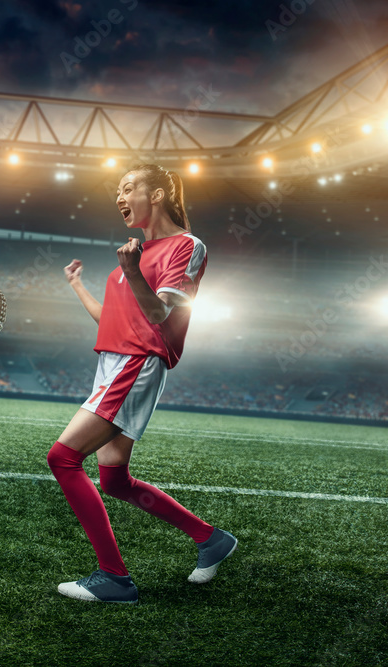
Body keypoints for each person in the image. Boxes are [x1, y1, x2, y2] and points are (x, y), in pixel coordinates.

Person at [47, 164, 237, 604]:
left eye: (129, 188)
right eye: (117, 190)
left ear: (158, 194)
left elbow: (159, 316)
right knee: (113, 480)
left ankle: (113, 578)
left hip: (137, 364)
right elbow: (109, 320)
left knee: (63, 458)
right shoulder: (131, 257)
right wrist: (77, 285)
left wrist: (132, 271)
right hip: (112, 363)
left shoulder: (187, 246)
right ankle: (210, 539)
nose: (120, 196)